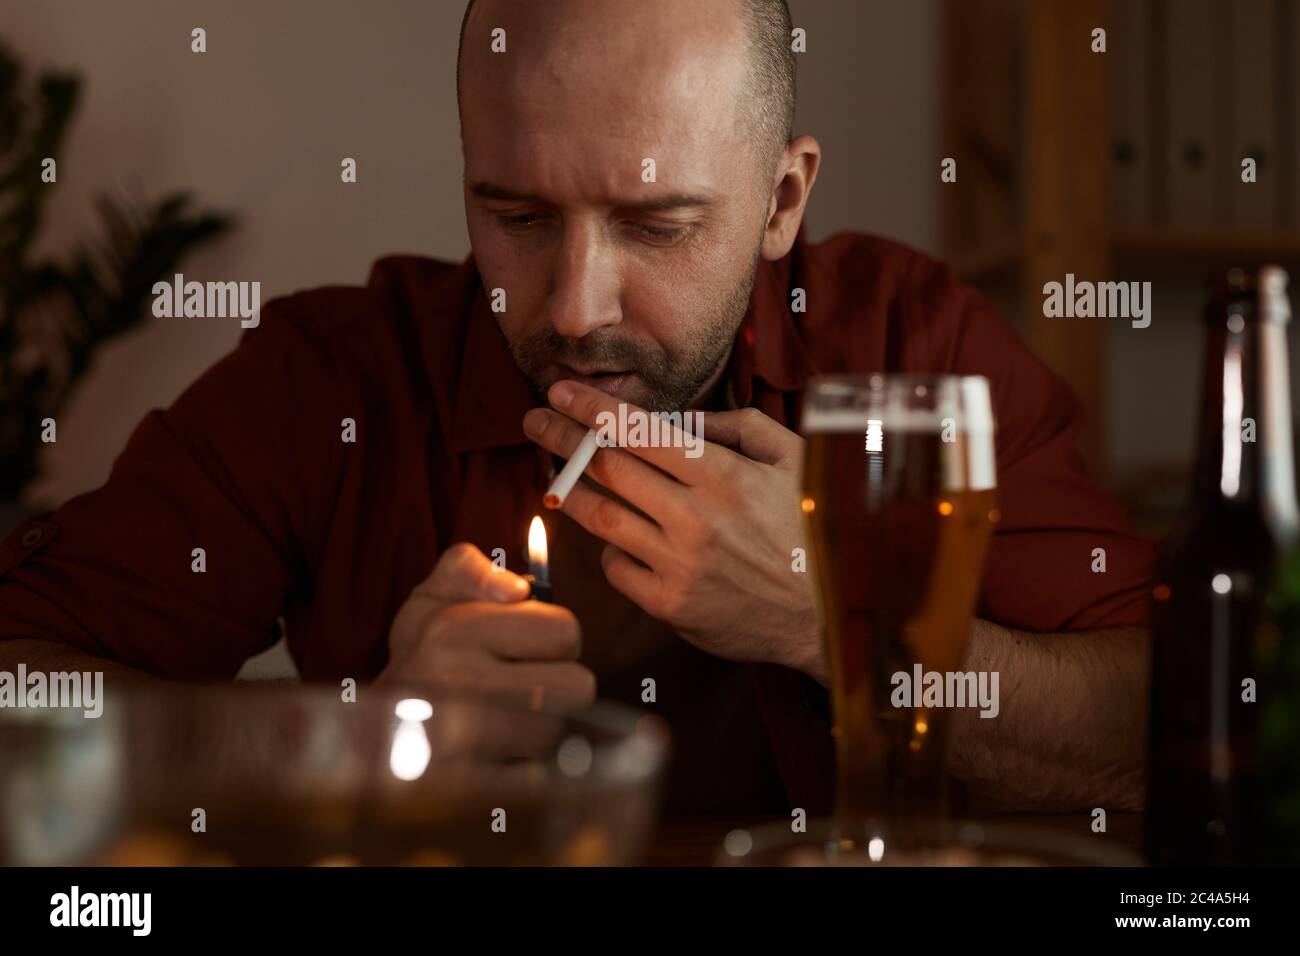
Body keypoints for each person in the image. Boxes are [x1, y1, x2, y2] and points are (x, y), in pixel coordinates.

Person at [0, 0, 1152, 818]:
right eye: (517, 215)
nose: (573, 304)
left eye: (656, 225)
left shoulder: (913, 351)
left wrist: (834, 615)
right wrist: (354, 736)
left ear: (782, 197)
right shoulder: (335, 381)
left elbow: (1156, 725)